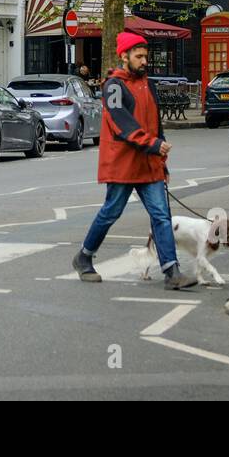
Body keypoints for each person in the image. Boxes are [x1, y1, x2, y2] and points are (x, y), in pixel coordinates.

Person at [72, 31, 194, 290]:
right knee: (110, 212)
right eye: (138, 56)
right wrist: (154, 145)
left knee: (161, 215)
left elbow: (156, 125)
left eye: (145, 56)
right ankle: (84, 257)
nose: (144, 61)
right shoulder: (113, 86)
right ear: (124, 56)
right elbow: (121, 124)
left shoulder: (148, 84)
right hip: (123, 164)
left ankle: (172, 271)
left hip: (149, 163)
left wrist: (162, 160)